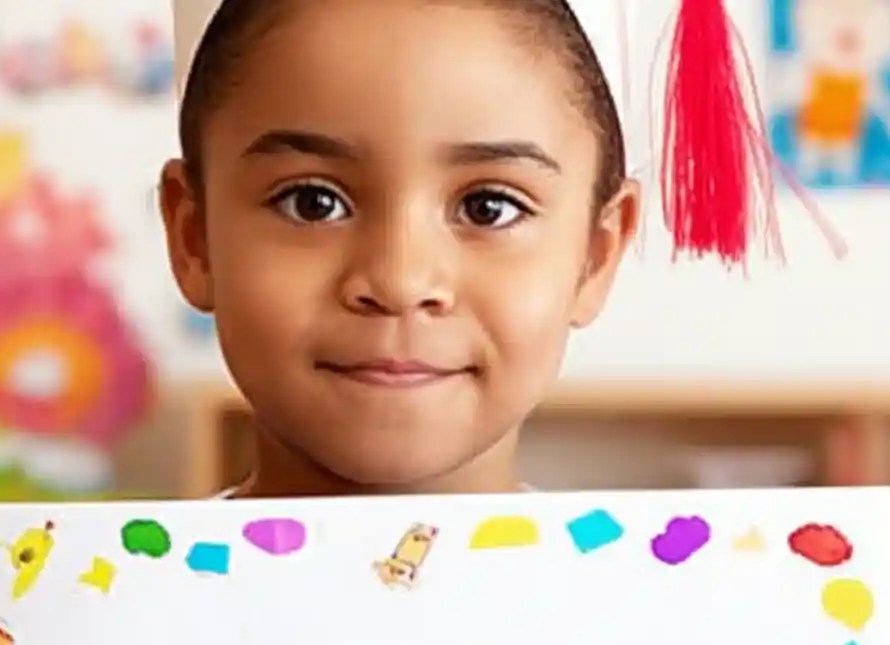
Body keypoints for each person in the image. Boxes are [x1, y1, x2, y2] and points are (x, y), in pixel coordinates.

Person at [160, 0, 774, 499]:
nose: (401, 279)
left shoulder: (664, 625)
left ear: (596, 254)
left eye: (489, 207)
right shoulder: (103, 615)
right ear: (194, 237)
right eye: (312, 202)